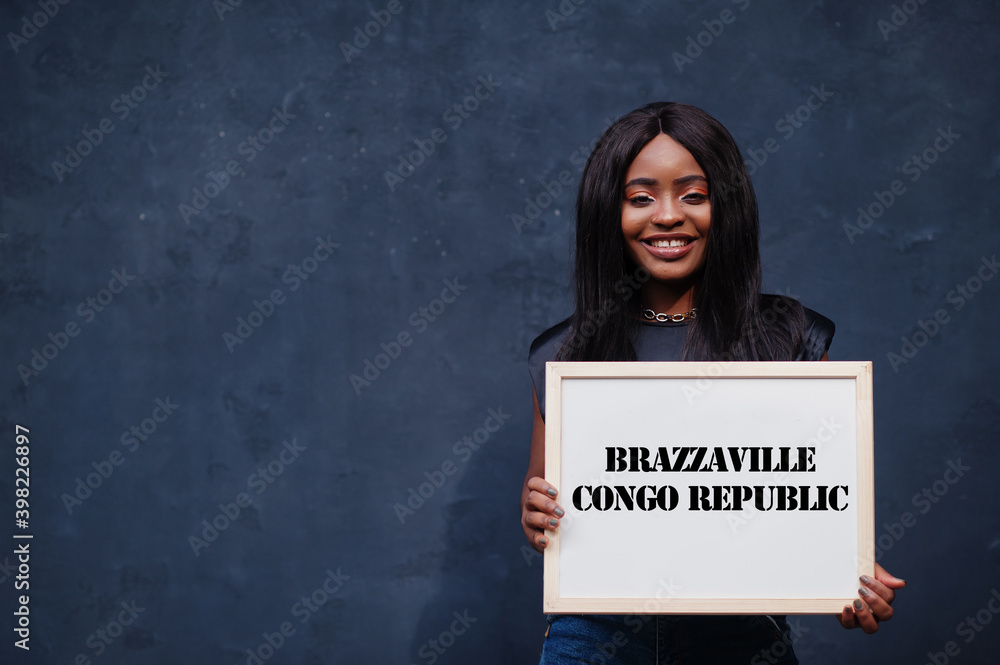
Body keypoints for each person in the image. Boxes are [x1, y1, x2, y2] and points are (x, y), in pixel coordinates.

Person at [520, 101, 905, 663]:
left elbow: (816, 502)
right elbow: (543, 508)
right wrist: (537, 516)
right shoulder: (565, 352)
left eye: (694, 195)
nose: (669, 215)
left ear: (726, 207)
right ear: (609, 211)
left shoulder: (788, 336)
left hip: (740, 638)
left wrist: (846, 571)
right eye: (641, 197)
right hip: (595, 636)